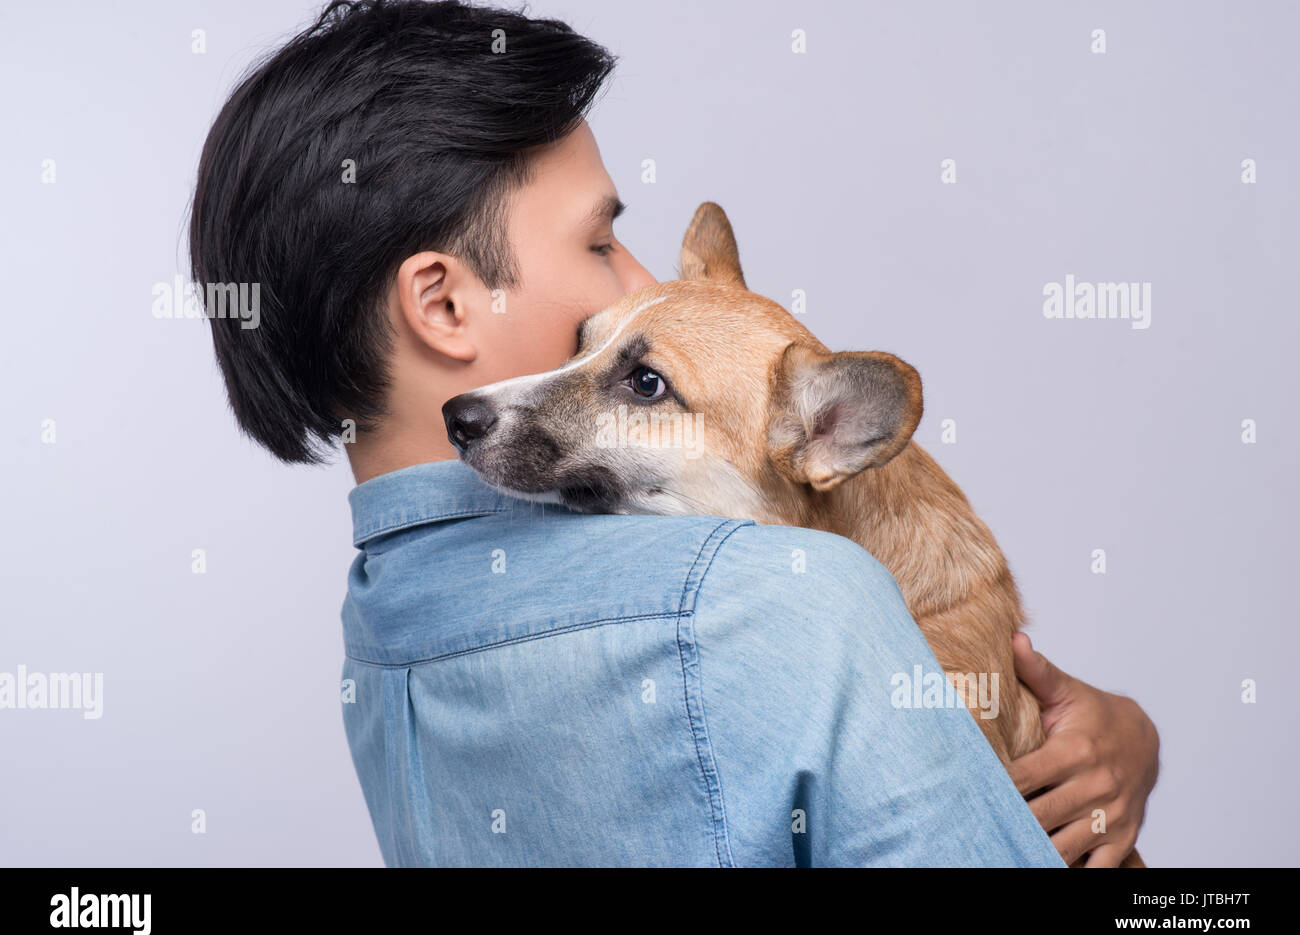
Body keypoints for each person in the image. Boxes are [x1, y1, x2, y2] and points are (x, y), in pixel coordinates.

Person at [189, 0, 1157, 866]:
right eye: (600, 242)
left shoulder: (377, 625)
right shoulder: (785, 603)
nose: (647, 281)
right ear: (443, 304)